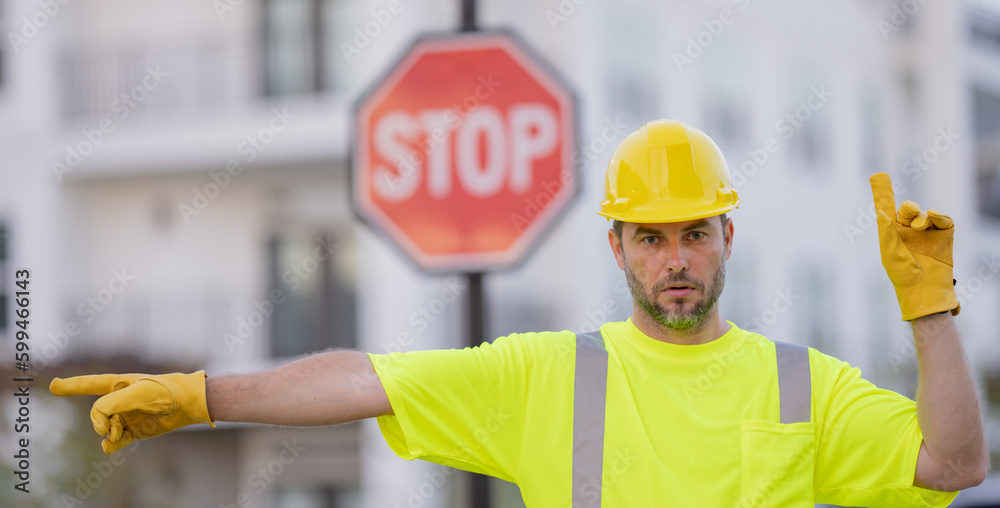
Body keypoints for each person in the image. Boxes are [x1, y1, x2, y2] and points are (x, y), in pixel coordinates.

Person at [51, 119, 987, 507]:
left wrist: (930, 309)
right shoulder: (549, 375)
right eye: (650, 238)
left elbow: (953, 462)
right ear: (615, 247)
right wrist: (203, 396)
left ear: (728, 237)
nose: (675, 260)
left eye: (693, 234)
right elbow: (364, 377)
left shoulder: (802, 384)